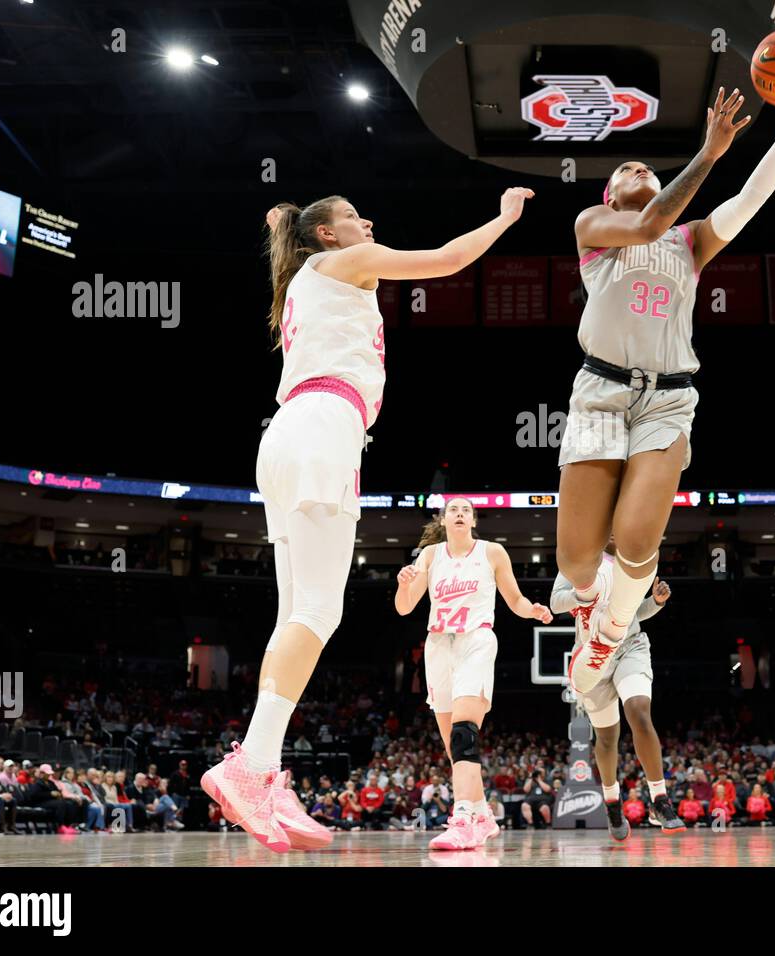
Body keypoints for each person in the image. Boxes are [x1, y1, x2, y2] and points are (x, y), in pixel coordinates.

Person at [201, 185, 535, 853]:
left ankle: (261, 767)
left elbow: (286, 227)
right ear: (326, 235)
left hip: (290, 432)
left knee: (295, 615)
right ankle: (252, 765)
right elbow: (446, 259)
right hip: (325, 425)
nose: (369, 222)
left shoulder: (304, 275)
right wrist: (503, 216)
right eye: (355, 217)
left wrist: (282, 219)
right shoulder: (342, 265)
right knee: (319, 614)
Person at [559, 70, 775, 699]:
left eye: (644, 167)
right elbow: (650, 226)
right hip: (600, 392)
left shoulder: (692, 238)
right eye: (626, 167)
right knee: (576, 562)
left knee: (634, 543)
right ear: (610, 192)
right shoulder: (595, 226)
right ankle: (596, 603)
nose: (637, 168)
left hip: (669, 397)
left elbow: (749, 202)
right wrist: (708, 153)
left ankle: (612, 627)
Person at [395, 496, 552, 850]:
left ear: (474, 521)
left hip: (476, 639)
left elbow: (515, 599)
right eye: (454, 510)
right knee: (455, 747)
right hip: (438, 645)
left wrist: (533, 610)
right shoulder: (430, 556)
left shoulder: (492, 552)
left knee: (465, 733)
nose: (461, 513)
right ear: (445, 520)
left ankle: (463, 817)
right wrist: (404, 584)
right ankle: (483, 815)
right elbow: (405, 608)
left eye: (467, 510)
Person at [552, 539, 681, 840]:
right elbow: (556, 602)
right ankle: (612, 801)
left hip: (629, 647)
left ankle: (659, 800)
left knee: (639, 712)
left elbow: (635, 613)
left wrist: (656, 602)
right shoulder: (580, 560)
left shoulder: (629, 563)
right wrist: (584, 593)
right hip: (593, 656)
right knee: (607, 737)